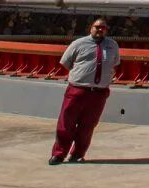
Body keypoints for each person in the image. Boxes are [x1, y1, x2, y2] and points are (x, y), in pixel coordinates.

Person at [50, 18, 119, 165]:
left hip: (99, 93)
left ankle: (77, 154)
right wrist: (81, 75)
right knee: (66, 123)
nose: (100, 30)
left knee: (88, 125)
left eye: (103, 28)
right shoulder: (78, 44)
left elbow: (114, 63)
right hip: (78, 90)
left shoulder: (112, 45)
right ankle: (59, 154)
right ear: (90, 28)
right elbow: (65, 63)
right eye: (97, 27)